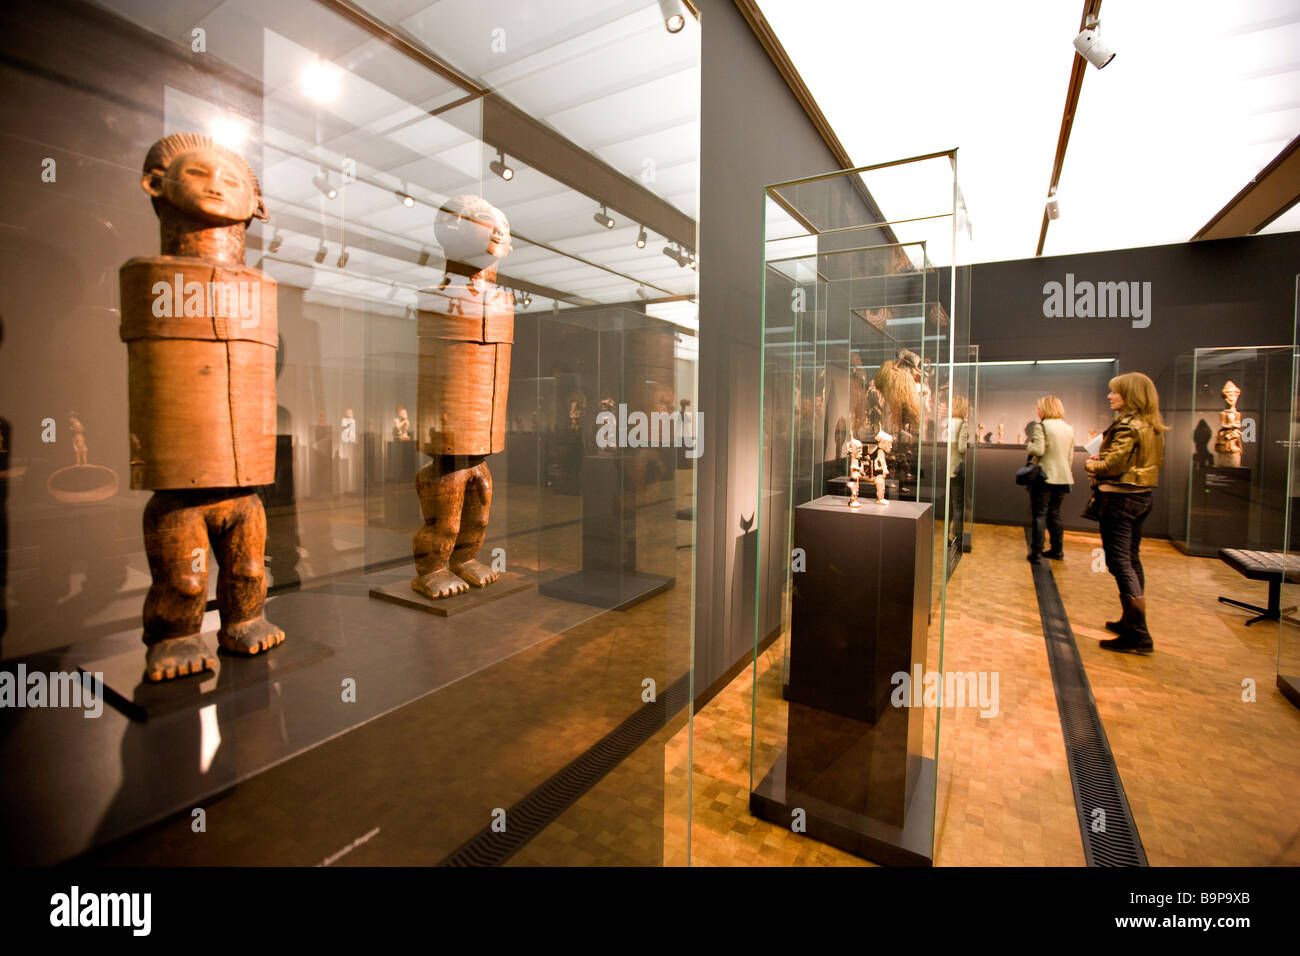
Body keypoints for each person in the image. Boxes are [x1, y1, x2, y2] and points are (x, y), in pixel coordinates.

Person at [1085, 372, 1167, 653]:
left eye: (1115, 392)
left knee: (1120, 563)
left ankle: (1139, 634)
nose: (1110, 396)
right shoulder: (1150, 424)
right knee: (1131, 560)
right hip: (1141, 497)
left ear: (1130, 396)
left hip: (1120, 500)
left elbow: (1113, 466)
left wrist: (1092, 465)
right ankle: (1131, 621)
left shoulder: (1128, 426)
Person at [1025, 395, 1074, 562]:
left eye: (1039, 408)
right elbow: (1069, 457)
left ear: (1044, 409)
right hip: (1063, 477)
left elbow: (1038, 450)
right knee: (1055, 514)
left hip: (1045, 476)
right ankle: (1057, 550)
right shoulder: (1068, 428)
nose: (1037, 411)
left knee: (1039, 515)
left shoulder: (1042, 427)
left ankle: (1036, 552)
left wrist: (1029, 445)